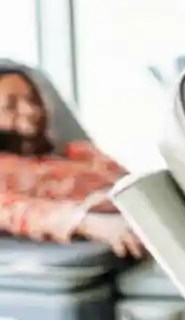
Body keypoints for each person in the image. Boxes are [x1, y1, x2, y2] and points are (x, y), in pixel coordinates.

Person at [0, 68, 144, 258]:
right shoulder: (5, 168)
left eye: (33, 99)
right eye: (11, 105)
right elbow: (18, 212)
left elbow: (132, 185)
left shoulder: (80, 152)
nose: (30, 110)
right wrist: (87, 221)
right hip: (113, 235)